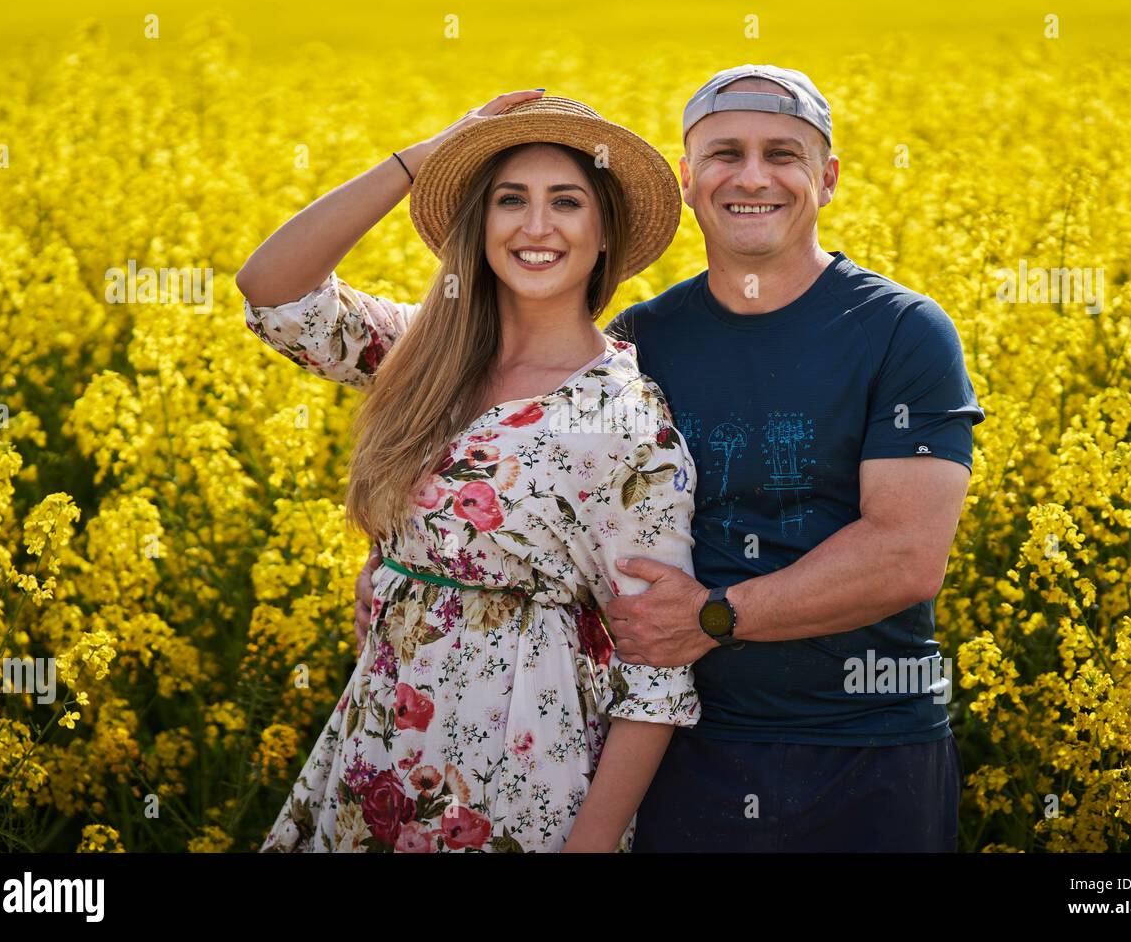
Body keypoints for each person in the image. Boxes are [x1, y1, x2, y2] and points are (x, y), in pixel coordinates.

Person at [352, 65, 986, 852]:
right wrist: (405, 565)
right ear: (688, 181)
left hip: (869, 743)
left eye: (783, 154)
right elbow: (532, 482)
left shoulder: (902, 331)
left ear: (826, 180)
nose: (752, 177)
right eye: (725, 153)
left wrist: (715, 618)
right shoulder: (639, 342)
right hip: (687, 756)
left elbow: (905, 556)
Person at [237, 91, 700, 853]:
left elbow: (657, 676)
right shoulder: (427, 354)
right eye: (509, 200)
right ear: (479, 223)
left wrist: (591, 845)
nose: (536, 226)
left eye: (567, 202)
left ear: (605, 232)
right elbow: (274, 293)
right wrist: (423, 160)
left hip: (520, 773)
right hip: (384, 742)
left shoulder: (621, 415)